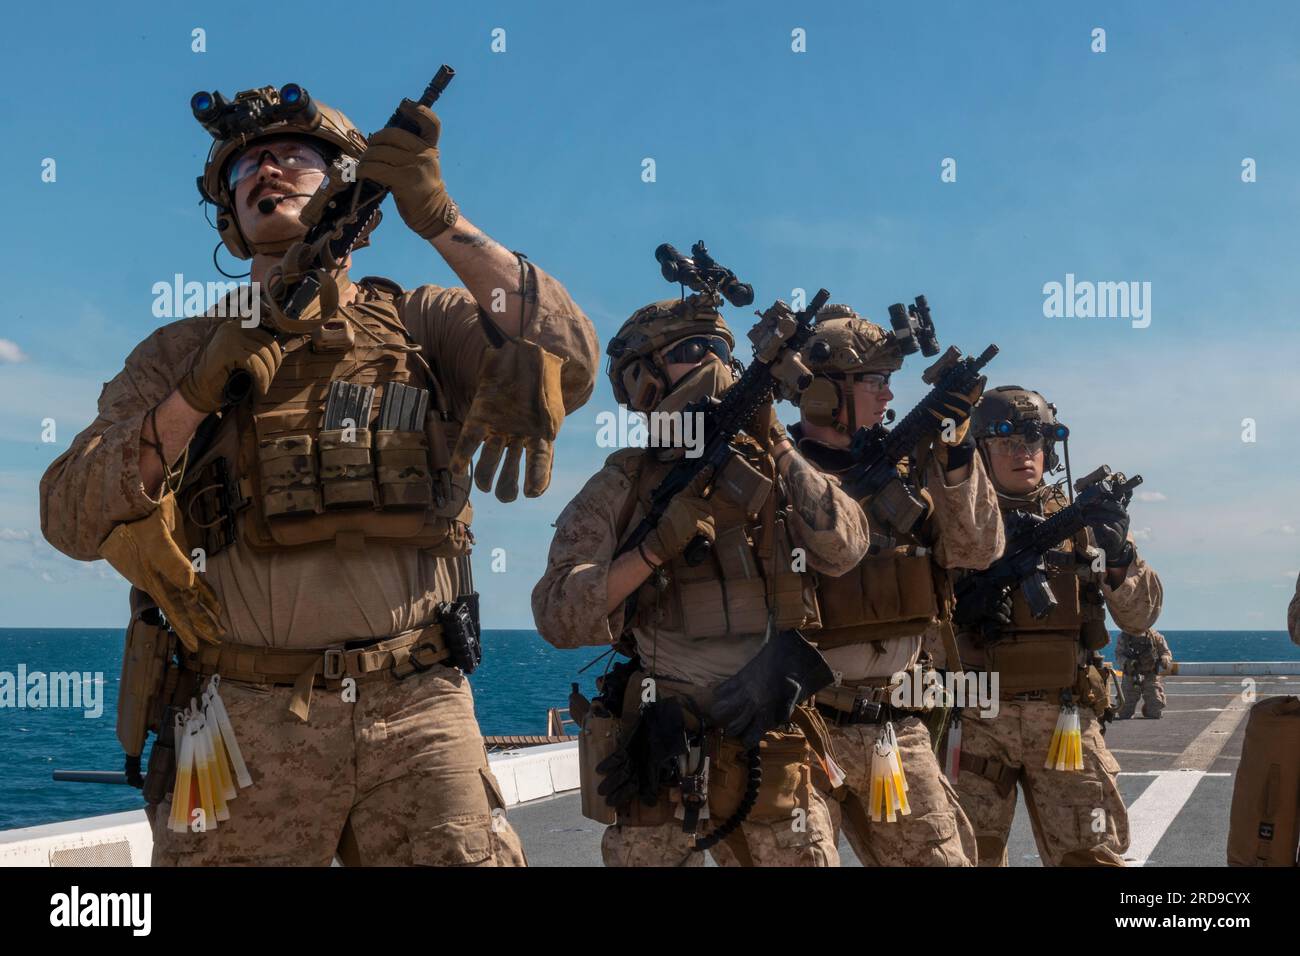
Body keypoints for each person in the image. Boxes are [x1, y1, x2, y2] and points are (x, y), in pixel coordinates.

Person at [39, 83, 598, 865]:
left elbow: (568, 361)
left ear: (345, 181)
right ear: (229, 217)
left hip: (421, 706)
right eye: (245, 167)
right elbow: (68, 514)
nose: (266, 170)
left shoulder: (421, 322)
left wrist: (442, 221)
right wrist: (195, 394)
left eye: (291, 155)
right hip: (244, 715)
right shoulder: (178, 351)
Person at [532, 293, 869, 866]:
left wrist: (781, 445)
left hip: (769, 727)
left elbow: (845, 547)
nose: (714, 363)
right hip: (663, 733)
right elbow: (558, 616)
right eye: (692, 350)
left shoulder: (772, 463)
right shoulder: (623, 485)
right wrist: (652, 552)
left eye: (720, 349)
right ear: (643, 383)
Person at [774, 304, 1003, 866]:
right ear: (823, 391)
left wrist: (955, 457)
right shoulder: (772, 469)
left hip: (893, 722)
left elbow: (977, 549)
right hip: (799, 724)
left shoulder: (912, 468)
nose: (886, 396)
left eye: (889, 382)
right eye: (874, 381)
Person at [951, 386, 1162, 866]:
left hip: (1067, 720)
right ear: (981, 448)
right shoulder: (954, 525)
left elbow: (1140, 617)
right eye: (1007, 443)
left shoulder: (1082, 524)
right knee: (968, 859)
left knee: (1089, 858)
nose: (1023, 454)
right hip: (979, 721)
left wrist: (1119, 556)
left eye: (1034, 442)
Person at [1115, 628, 1172, 719]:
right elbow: (1118, 654)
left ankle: (1149, 706)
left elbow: (1166, 652)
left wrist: (1165, 658)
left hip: (1150, 675)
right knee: (1124, 714)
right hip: (1131, 676)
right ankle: (1135, 706)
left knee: (1155, 713)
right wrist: (1126, 662)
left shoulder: (1155, 636)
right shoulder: (1124, 636)